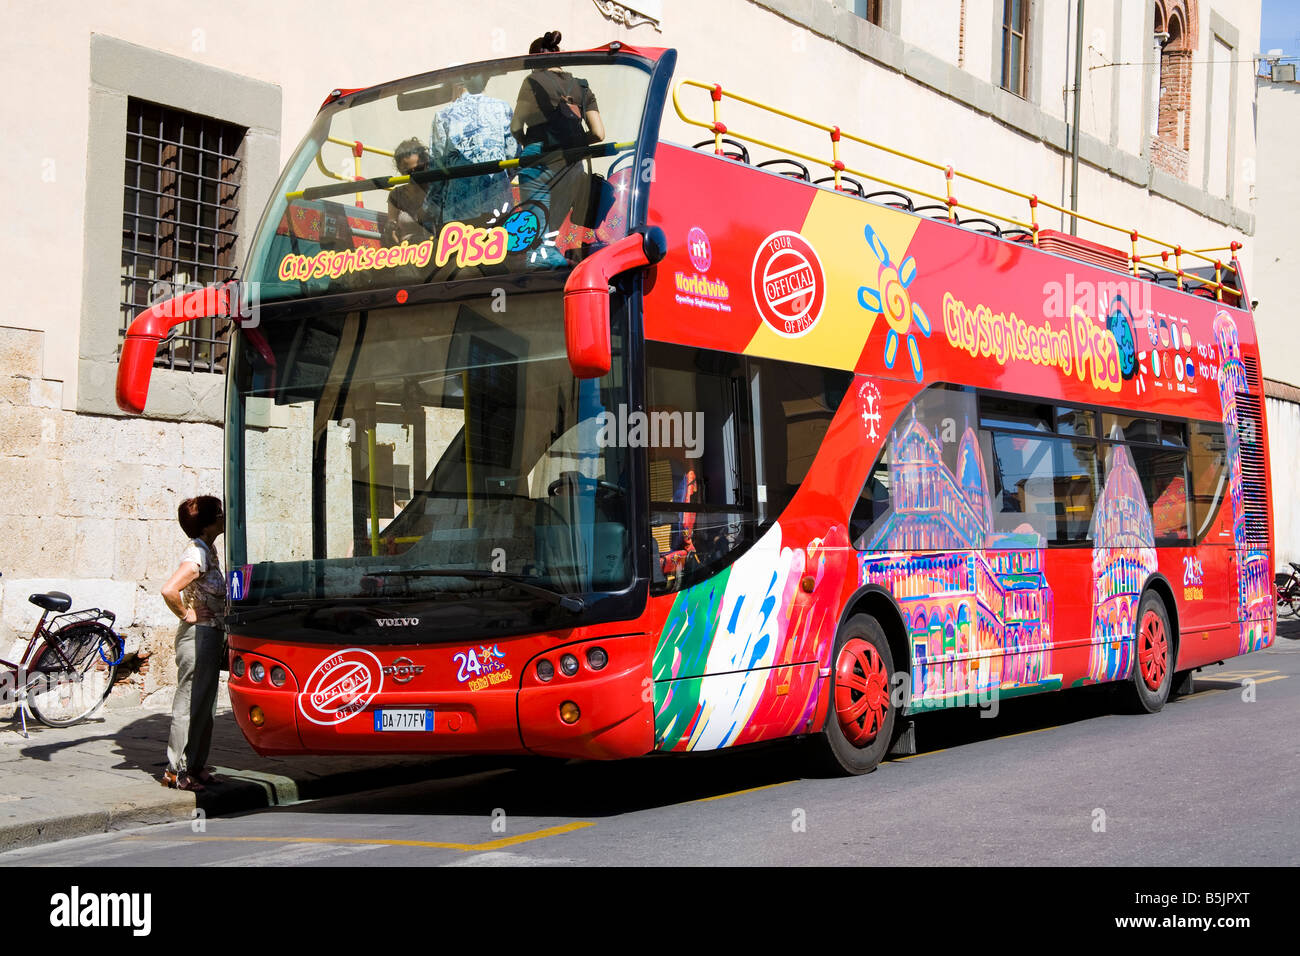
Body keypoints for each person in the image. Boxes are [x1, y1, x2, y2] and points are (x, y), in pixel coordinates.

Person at [511, 31, 607, 252]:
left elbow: (516, 125)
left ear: (535, 61)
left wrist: (526, 142)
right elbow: (599, 133)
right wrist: (573, 142)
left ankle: (536, 272)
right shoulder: (582, 87)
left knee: (535, 232)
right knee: (551, 233)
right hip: (570, 163)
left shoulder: (533, 81)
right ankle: (554, 269)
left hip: (539, 159)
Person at [159, 495, 226, 792]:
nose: (224, 517)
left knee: (205, 704)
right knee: (188, 703)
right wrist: (188, 613)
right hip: (196, 636)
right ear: (209, 523)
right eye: (220, 514)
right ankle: (175, 770)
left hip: (210, 635)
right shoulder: (196, 554)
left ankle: (196, 766)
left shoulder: (207, 550)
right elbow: (169, 589)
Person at [424, 74, 517, 229]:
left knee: (464, 253)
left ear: (454, 85)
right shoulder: (502, 107)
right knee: (499, 251)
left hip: (460, 210)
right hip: (498, 203)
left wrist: (430, 209)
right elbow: (513, 154)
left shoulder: (443, 116)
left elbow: (437, 168)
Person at [386, 138, 433, 245]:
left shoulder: (435, 190)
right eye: (409, 172)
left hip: (434, 249)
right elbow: (391, 224)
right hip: (408, 252)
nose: (415, 175)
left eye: (419, 169)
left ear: (426, 165)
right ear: (400, 170)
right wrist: (391, 229)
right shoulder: (396, 195)